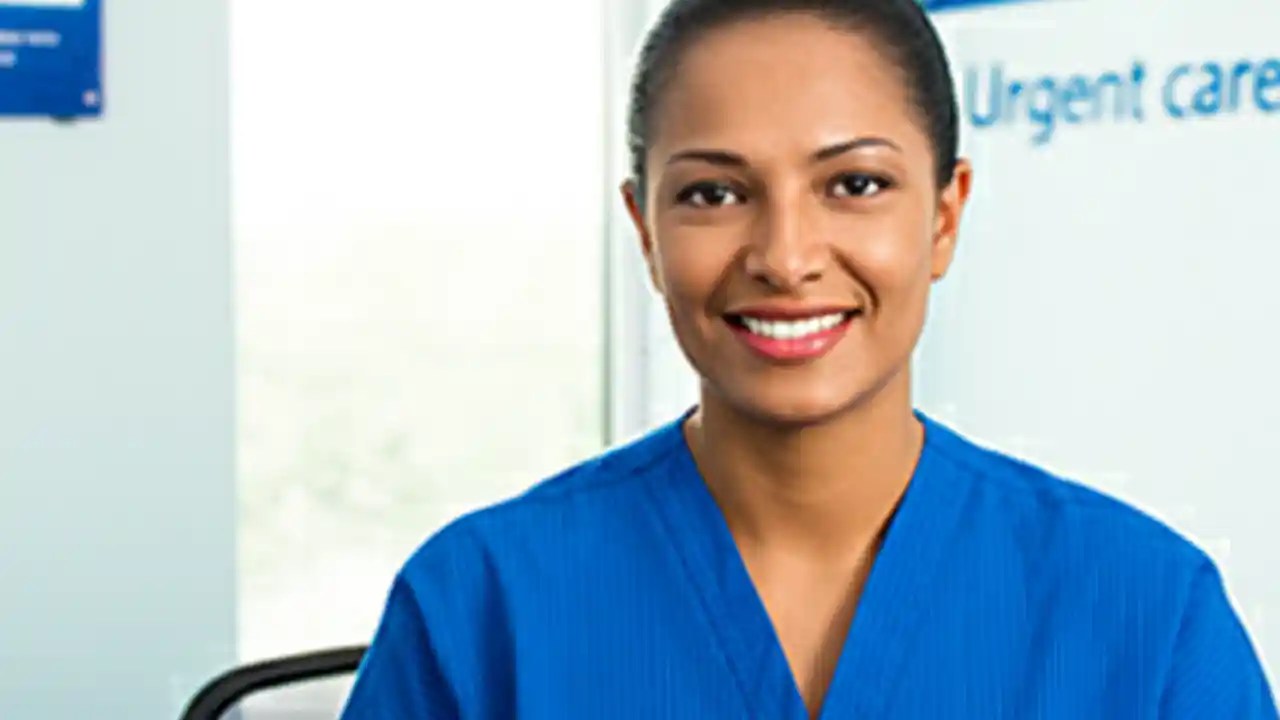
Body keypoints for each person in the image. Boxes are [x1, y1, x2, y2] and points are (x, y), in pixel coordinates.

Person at [340, 1, 1278, 717]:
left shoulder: (1147, 615)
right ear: (646, 231)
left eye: (855, 184)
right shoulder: (481, 608)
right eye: (713, 193)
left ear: (944, 217)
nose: (786, 257)